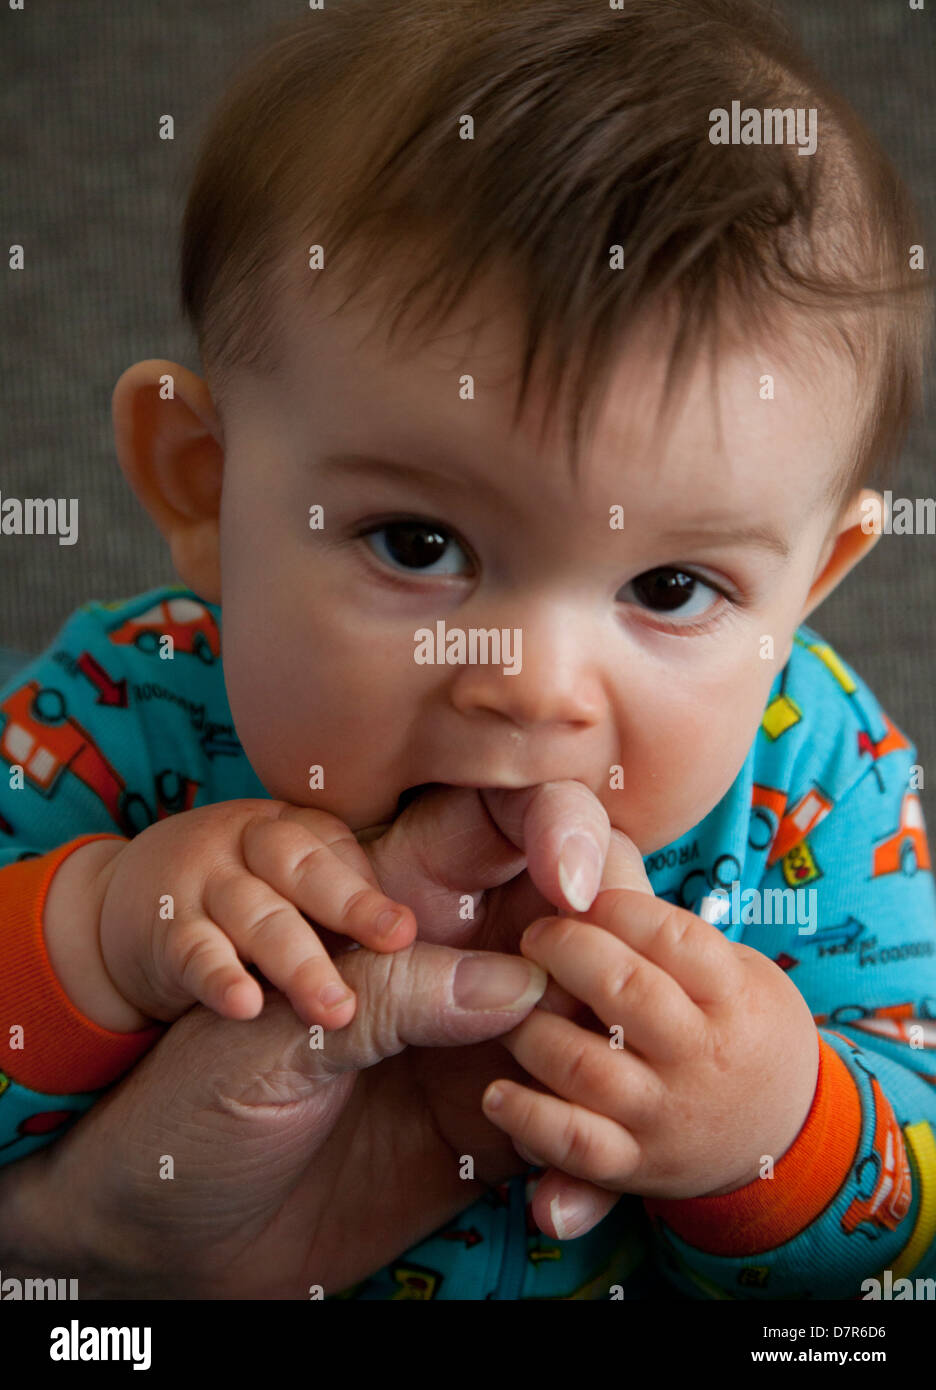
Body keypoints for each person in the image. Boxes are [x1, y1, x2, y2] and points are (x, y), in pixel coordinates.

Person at [1, 0, 935, 1299]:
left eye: (671, 584)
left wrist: (774, 1129)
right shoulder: (121, 718)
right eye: (419, 544)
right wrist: (96, 934)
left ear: (811, 585)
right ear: (206, 491)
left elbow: (906, 1235)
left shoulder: (816, 781)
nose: (536, 684)